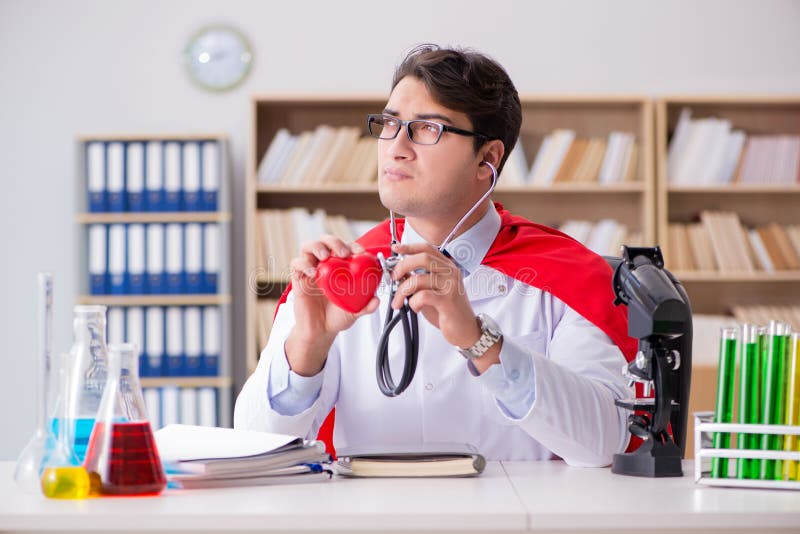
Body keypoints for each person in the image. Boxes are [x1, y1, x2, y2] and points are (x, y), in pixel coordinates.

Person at [235, 44, 636, 467]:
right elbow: (254, 448)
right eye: (390, 123)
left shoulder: (566, 275)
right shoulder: (340, 276)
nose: (396, 147)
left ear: (487, 159)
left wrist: (480, 341)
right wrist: (307, 345)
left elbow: (605, 444)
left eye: (428, 128)